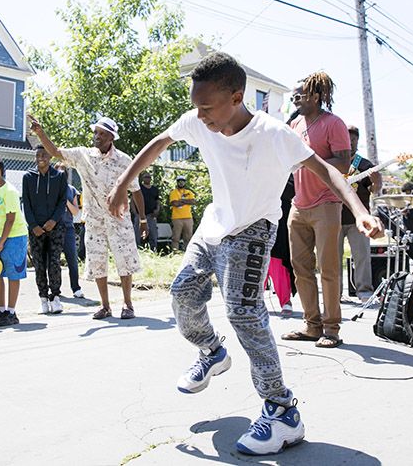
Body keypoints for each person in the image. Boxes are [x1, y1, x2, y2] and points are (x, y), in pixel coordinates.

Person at [106, 52, 381, 455]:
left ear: (236, 97)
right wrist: (122, 184)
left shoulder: (275, 133)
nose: (200, 117)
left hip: (253, 229)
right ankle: (212, 351)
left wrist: (359, 211)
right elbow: (158, 143)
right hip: (213, 225)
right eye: (196, 106)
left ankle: (283, 410)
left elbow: (328, 170)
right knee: (182, 294)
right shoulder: (197, 120)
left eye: (207, 107)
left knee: (243, 312)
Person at [29, 115, 145, 320]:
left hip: (118, 218)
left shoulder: (124, 160)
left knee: (125, 260)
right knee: (97, 260)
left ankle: (128, 304)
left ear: (111, 137)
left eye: (102, 133)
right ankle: (105, 306)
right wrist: (40, 133)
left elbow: (136, 190)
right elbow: (55, 152)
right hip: (94, 220)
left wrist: (143, 220)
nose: (97, 137)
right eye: (96, 132)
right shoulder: (83, 155)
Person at [281, 71, 352, 348]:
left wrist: (310, 161)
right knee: (300, 269)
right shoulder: (294, 124)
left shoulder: (333, 124)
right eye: (293, 95)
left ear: (317, 95)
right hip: (298, 206)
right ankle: (312, 326)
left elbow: (344, 164)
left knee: (329, 269)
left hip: (326, 204)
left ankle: (331, 328)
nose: (295, 99)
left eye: (300, 94)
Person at [0, 157, 28, 327]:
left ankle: (11, 312)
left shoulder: (10, 191)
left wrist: (1, 242)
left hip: (15, 236)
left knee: (13, 274)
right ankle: (1, 311)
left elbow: (10, 219)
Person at [22, 146, 68, 315]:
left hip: (55, 227)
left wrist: (53, 221)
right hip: (36, 229)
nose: (41, 157)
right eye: (38, 155)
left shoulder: (59, 176)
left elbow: (63, 200)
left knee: (54, 262)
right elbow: (26, 203)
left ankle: (55, 297)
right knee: (39, 264)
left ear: (50, 157)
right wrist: (33, 225)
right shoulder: (28, 177)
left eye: (44, 155)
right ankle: (43, 298)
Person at [339, 126, 382, 302]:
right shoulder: (334, 162)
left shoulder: (364, 165)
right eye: (346, 138)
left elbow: (374, 189)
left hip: (359, 218)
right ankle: (335, 293)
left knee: (362, 256)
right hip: (334, 217)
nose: (350, 142)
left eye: (353, 139)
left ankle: (364, 291)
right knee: (332, 258)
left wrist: (377, 181)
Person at [265, 175, 297, 317]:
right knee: (256, 265)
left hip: (280, 221)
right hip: (258, 219)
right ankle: (254, 303)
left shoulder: (288, 172)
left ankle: (285, 302)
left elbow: (293, 192)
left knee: (278, 264)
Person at [55, 162, 85, 299]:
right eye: (57, 172)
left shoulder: (71, 190)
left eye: (63, 172)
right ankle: (55, 289)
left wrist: (65, 201)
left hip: (68, 228)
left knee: (72, 259)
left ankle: (76, 288)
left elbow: (75, 212)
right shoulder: (49, 189)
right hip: (53, 229)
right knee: (53, 260)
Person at [134, 172, 160, 251]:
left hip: (151, 215)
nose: (147, 178)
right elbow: (133, 200)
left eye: (149, 177)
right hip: (140, 215)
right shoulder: (139, 188)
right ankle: (138, 249)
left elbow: (158, 201)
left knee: (153, 233)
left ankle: (154, 250)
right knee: (137, 233)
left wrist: (157, 210)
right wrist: (135, 213)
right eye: (146, 177)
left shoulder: (155, 189)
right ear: (142, 178)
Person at [169, 175, 195, 250]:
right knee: (176, 237)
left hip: (188, 217)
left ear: (185, 182)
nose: (181, 183)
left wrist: (180, 200)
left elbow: (193, 201)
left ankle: (187, 252)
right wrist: (187, 201)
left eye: (182, 181)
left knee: (188, 237)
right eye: (179, 181)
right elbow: (175, 203)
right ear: (177, 182)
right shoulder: (173, 192)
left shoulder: (189, 192)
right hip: (177, 218)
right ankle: (175, 252)